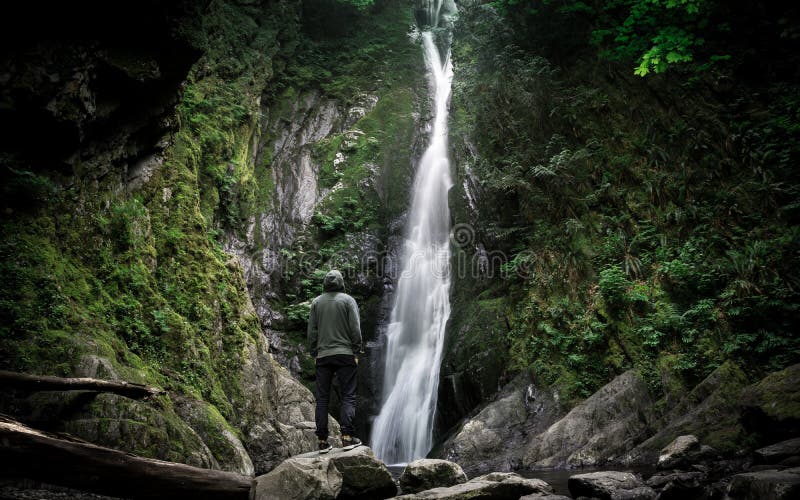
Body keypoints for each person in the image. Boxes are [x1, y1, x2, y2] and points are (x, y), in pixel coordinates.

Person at [308, 269, 363, 452]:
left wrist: (314, 352)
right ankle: (347, 437)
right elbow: (355, 328)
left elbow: (312, 331)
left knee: (322, 398)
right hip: (345, 354)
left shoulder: (316, 303)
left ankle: (322, 441)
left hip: (323, 356)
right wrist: (356, 351)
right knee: (348, 395)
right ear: (341, 283)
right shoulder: (348, 301)